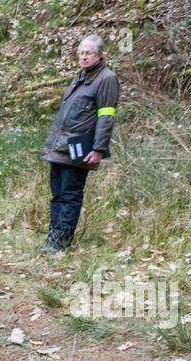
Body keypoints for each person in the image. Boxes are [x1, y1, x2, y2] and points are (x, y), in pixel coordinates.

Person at [40, 34, 119, 254]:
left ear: (100, 55)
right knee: (57, 195)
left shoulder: (106, 79)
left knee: (70, 195)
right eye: (81, 53)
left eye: (88, 53)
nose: (83, 57)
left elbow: (106, 117)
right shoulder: (81, 77)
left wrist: (99, 149)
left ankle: (60, 242)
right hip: (59, 147)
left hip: (79, 150)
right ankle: (53, 236)